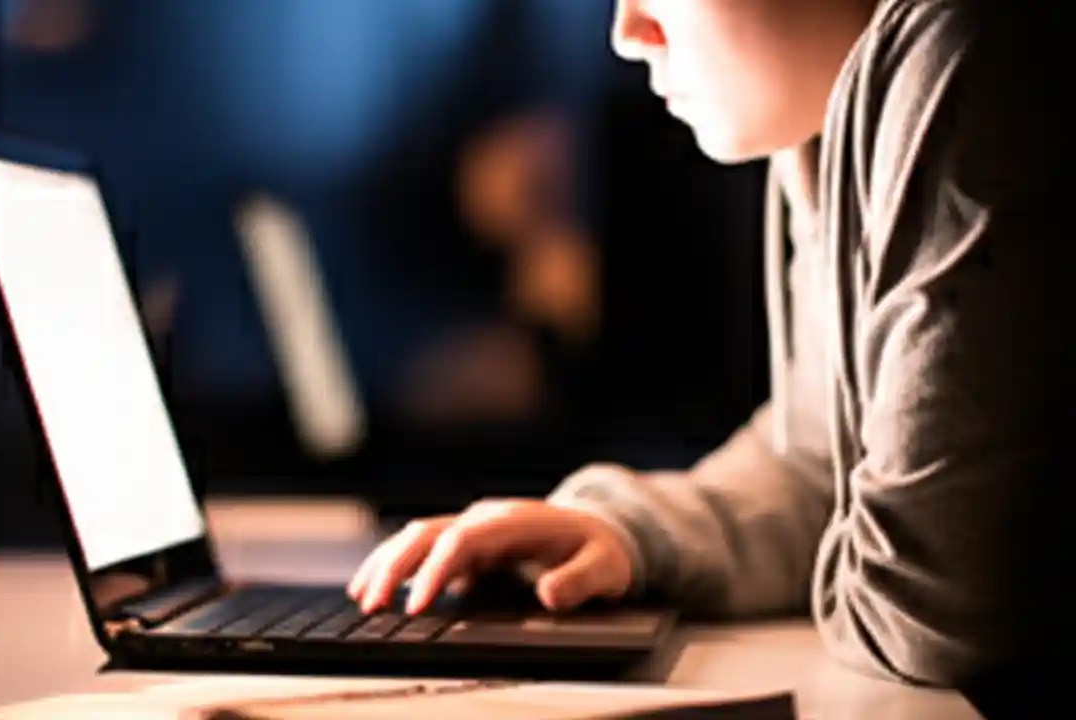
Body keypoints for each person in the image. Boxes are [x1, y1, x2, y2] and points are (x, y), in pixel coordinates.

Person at [348, 0, 1075, 702]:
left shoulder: (967, 44)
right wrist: (627, 532)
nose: (628, 33)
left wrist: (830, 541)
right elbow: (819, 473)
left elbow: (926, 606)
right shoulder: (824, 126)